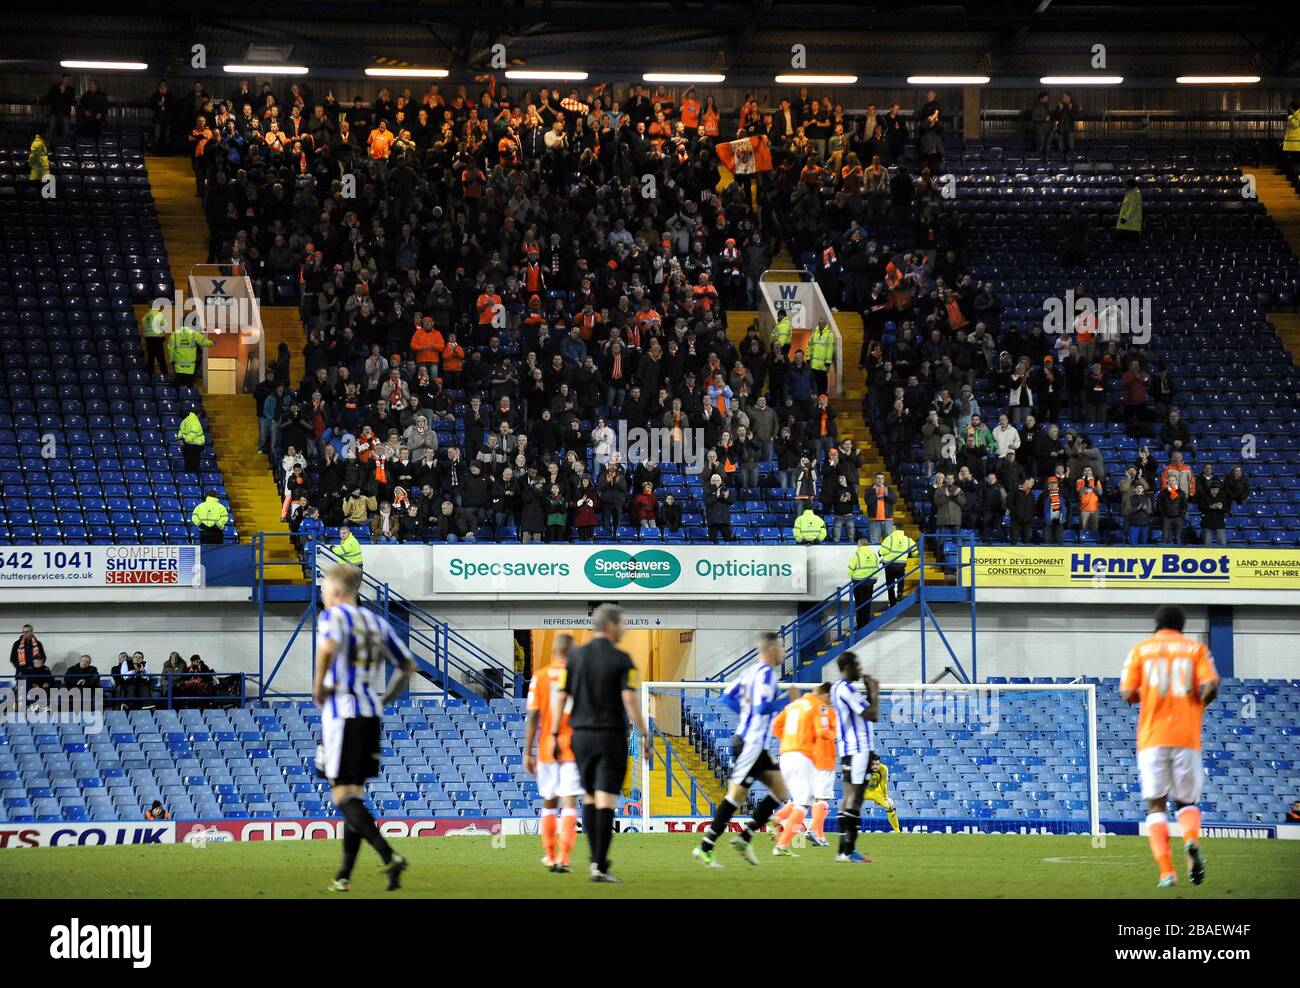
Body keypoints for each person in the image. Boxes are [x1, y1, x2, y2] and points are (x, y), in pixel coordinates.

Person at [314, 564, 417, 893]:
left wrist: (318, 686)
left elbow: (328, 648)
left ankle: (390, 856)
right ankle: (343, 876)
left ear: (336, 590)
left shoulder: (332, 617)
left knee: (341, 795)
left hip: (342, 712)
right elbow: (407, 665)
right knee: (354, 796)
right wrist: (385, 698)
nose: (322, 595)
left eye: (323, 589)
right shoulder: (376, 621)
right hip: (371, 713)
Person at [1120, 604, 1219, 888]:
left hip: (1152, 737)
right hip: (1186, 736)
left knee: (1156, 806)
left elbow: (1126, 693)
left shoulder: (1141, 649)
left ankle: (1167, 873)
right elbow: (1212, 684)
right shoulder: (1195, 649)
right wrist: (1198, 706)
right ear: (1182, 625)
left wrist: (1149, 694)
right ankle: (1190, 840)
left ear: (1157, 624)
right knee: (1186, 802)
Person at [553, 604, 649, 883]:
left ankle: (595, 862)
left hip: (580, 737)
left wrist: (555, 736)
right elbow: (629, 699)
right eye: (623, 624)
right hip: (610, 736)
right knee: (606, 799)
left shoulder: (574, 658)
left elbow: (561, 697)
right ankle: (599, 866)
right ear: (610, 625)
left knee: (591, 798)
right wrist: (644, 733)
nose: (625, 629)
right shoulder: (622, 659)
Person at [694, 631, 797, 868]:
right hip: (750, 745)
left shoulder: (749, 672)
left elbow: (727, 697)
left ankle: (745, 836)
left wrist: (746, 715)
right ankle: (705, 847)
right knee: (735, 797)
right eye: (781, 647)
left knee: (781, 790)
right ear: (771, 650)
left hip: (755, 744)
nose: (783, 652)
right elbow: (761, 709)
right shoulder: (767, 675)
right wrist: (787, 700)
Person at [523, 633, 581, 873]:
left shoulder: (541, 676)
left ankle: (549, 854)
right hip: (574, 747)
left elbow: (533, 715)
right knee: (570, 803)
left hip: (548, 747)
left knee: (549, 801)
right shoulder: (581, 676)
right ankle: (563, 858)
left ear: (555, 651)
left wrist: (527, 751)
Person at [769, 686, 835, 856]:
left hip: (785, 755)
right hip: (802, 756)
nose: (829, 702)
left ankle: (778, 821)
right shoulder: (817, 705)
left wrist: (788, 741)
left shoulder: (794, 705)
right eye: (829, 698)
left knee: (804, 797)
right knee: (805, 803)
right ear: (824, 695)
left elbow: (776, 725)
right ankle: (781, 845)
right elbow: (822, 732)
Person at [831, 650, 881, 863]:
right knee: (855, 797)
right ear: (848, 667)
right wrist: (875, 691)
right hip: (858, 749)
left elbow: (864, 712)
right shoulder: (847, 689)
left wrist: (869, 695)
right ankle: (848, 851)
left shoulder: (837, 688)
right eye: (857, 665)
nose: (860, 669)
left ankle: (844, 851)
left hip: (851, 749)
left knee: (849, 796)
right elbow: (872, 715)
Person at [847, 535, 881, 630]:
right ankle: (866, 623)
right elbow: (876, 567)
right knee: (867, 602)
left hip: (859, 581)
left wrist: (852, 577)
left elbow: (850, 569)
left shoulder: (856, 554)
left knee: (859, 603)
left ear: (860, 544)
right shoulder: (873, 554)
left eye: (858, 544)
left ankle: (860, 625)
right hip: (871, 581)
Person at [862, 751, 901, 833]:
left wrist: (885, 797)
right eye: (873, 764)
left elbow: (883, 783)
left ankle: (897, 831)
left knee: (890, 806)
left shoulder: (884, 769)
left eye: (877, 764)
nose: (875, 766)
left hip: (876, 790)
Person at [878, 528, 916, 606]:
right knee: (900, 580)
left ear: (894, 530)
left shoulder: (889, 538)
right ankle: (900, 593)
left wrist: (879, 552)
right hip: (901, 564)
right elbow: (915, 552)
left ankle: (892, 602)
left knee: (890, 585)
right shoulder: (908, 539)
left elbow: (884, 551)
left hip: (890, 565)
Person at [864, 474, 896, 544]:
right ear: (874, 479)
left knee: (888, 543)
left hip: (887, 520)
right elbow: (867, 501)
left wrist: (887, 495)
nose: (880, 480)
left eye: (882, 478)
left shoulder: (889, 489)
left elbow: (894, 500)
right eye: (878, 478)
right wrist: (876, 496)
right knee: (874, 542)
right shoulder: (869, 489)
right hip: (874, 520)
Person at [141, 299, 169, 376]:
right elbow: (164, 326)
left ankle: (151, 376)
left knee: (151, 359)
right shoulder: (159, 314)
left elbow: (144, 326)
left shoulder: (146, 316)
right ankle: (165, 375)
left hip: (149, 339)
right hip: (158, 339)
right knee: (161, 358)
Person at [177, 407, 206, 475]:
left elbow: (180, 432)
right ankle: (194, 477)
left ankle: (189, 477)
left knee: (188, 464)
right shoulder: (195, 422)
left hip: (187, 447)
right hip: (194, 447)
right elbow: (192, 434)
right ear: (198, 414)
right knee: (194, 465)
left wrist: (181, 440)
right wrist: (187, 441)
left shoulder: (185, 420)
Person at [1115, 177, 1143, 242]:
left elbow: (1133, 208)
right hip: (1127, 225)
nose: (1124, 186)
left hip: (1130, 224)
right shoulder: (1131, 193)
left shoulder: (1135, 193)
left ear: (1129, 185)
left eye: (1126, 184)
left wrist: (1125, 218)